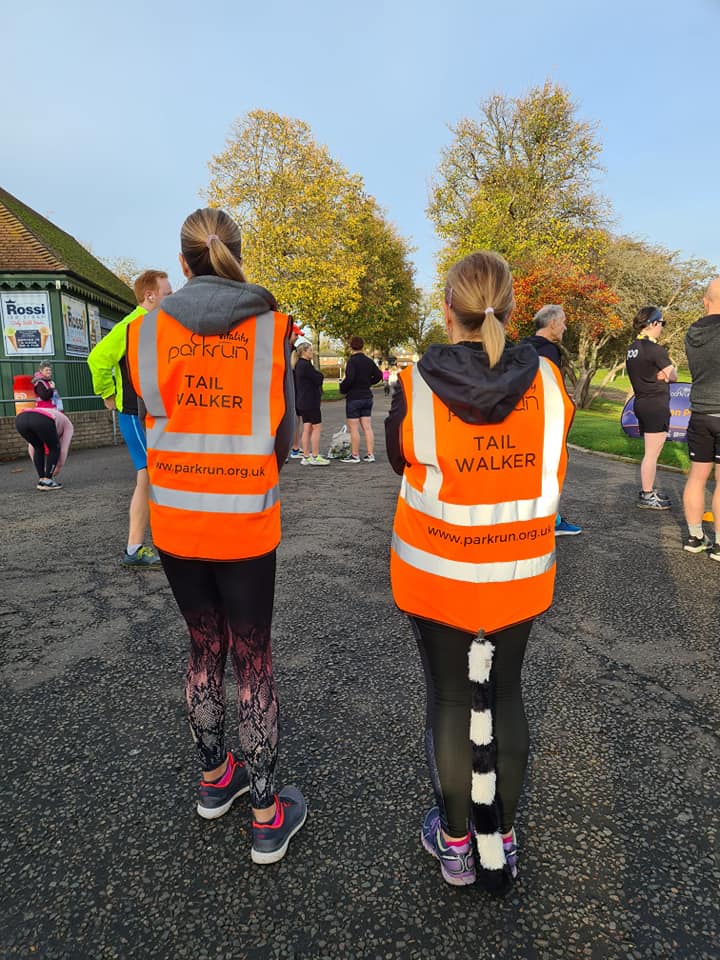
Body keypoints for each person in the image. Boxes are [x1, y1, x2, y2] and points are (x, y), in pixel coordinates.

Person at [385, 251, 574, 895]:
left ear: (447, 311)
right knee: (507, 697)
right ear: (515, 310)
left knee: (451, 699)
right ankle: (503, 836)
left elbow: (398, 459)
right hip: (518, 571)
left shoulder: (416, 384)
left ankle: (459, 841)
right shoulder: (550, 385)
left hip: (437, 574)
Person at [126, 206, 306, 864]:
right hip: (245, 517)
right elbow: (281, 437)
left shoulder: (146, 331)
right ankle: (265, 813)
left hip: (176, 517)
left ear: (183, 262)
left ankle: (213, 782)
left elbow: (148, 419)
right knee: (253, 660)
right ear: (237, 253)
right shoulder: (269, 329)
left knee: (204, 650)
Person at [88, 269, 172, 566]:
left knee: (155, 476)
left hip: (154, 415)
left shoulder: (154, 325)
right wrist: (108, 394)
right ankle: (134, 549)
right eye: (167, 294)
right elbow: (97, 358)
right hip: (133, 415)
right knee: (147, 476)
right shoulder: (130, 326)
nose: (170, 298)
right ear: (150, 296)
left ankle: (151, 544)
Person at [524, 305, 582, 536]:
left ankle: (533, 517)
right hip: (544, 420)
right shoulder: (549, 351)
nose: (565, 327)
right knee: (550, 471)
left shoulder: (522, 347)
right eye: (563, 322)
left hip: (523, 418)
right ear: (553, 324)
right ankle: (552, 521)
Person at [682, 277, 720, 559]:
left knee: (697, 477)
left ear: (705, 301)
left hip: (699, 413)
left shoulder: (691, 333)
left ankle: (696, 538)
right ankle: (719, 544)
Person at [625, 306, 677, 510]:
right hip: (655, 404)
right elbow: (673, 376)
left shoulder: (632, 348)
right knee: (652, 453)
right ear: (653, 323)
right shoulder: (656, 349)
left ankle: (648, 491)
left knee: (650, 452)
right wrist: (663, 375)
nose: (662, 328)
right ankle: (647, 494)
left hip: (641, 402)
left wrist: (658, 374)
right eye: (661, 323)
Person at [19, 371, 74, 486]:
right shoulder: (68, 425)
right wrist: (58, 467)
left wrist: (41, 470)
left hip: (21, 418)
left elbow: (31, 448)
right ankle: (48, 479)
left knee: (38, 446)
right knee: (54, 447)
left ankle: (41, 479)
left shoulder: (56, 418)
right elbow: (62, 450)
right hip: (42, 419)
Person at [339, 335, 382, 463]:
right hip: (367, 396)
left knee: (354, 428)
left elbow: (350, 378)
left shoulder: (352, 361)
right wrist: (369, 382)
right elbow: (379, 375)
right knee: (367, 427)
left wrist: (343, 387)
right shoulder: (369, 361)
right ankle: (370, 454)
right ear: (363, 346)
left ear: (350, 346)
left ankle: (355, 455)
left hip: (354, 397)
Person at [294, 341, 330, 465]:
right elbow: (318, 378)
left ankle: (306, 456)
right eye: (310, 350)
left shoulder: (299, 365)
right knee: (316, 428)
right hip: (311, 402)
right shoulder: (306, 365)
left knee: (307, 428)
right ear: (304, 352)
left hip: (302, 401)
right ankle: (314, 455)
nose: (312, 352)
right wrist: (319, 375)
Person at [287, 321, 305, 460]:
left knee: (296, 420)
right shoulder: (282, 348)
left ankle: (295, 447)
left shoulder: (293, 350)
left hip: (295, 390)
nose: (297, 337)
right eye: (295, 334)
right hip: (285, 390)